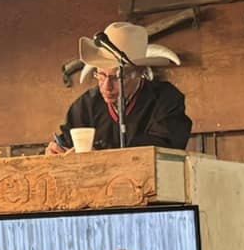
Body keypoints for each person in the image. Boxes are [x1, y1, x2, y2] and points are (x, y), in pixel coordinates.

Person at [46, 21, 191, 153]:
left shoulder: (165, 98)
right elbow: (66, 141)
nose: (107, 87)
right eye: (101, 75)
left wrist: (101, 154)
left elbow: (163, 147)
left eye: (117, 77)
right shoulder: (86, 105)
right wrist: (55, 151)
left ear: (140, 72)